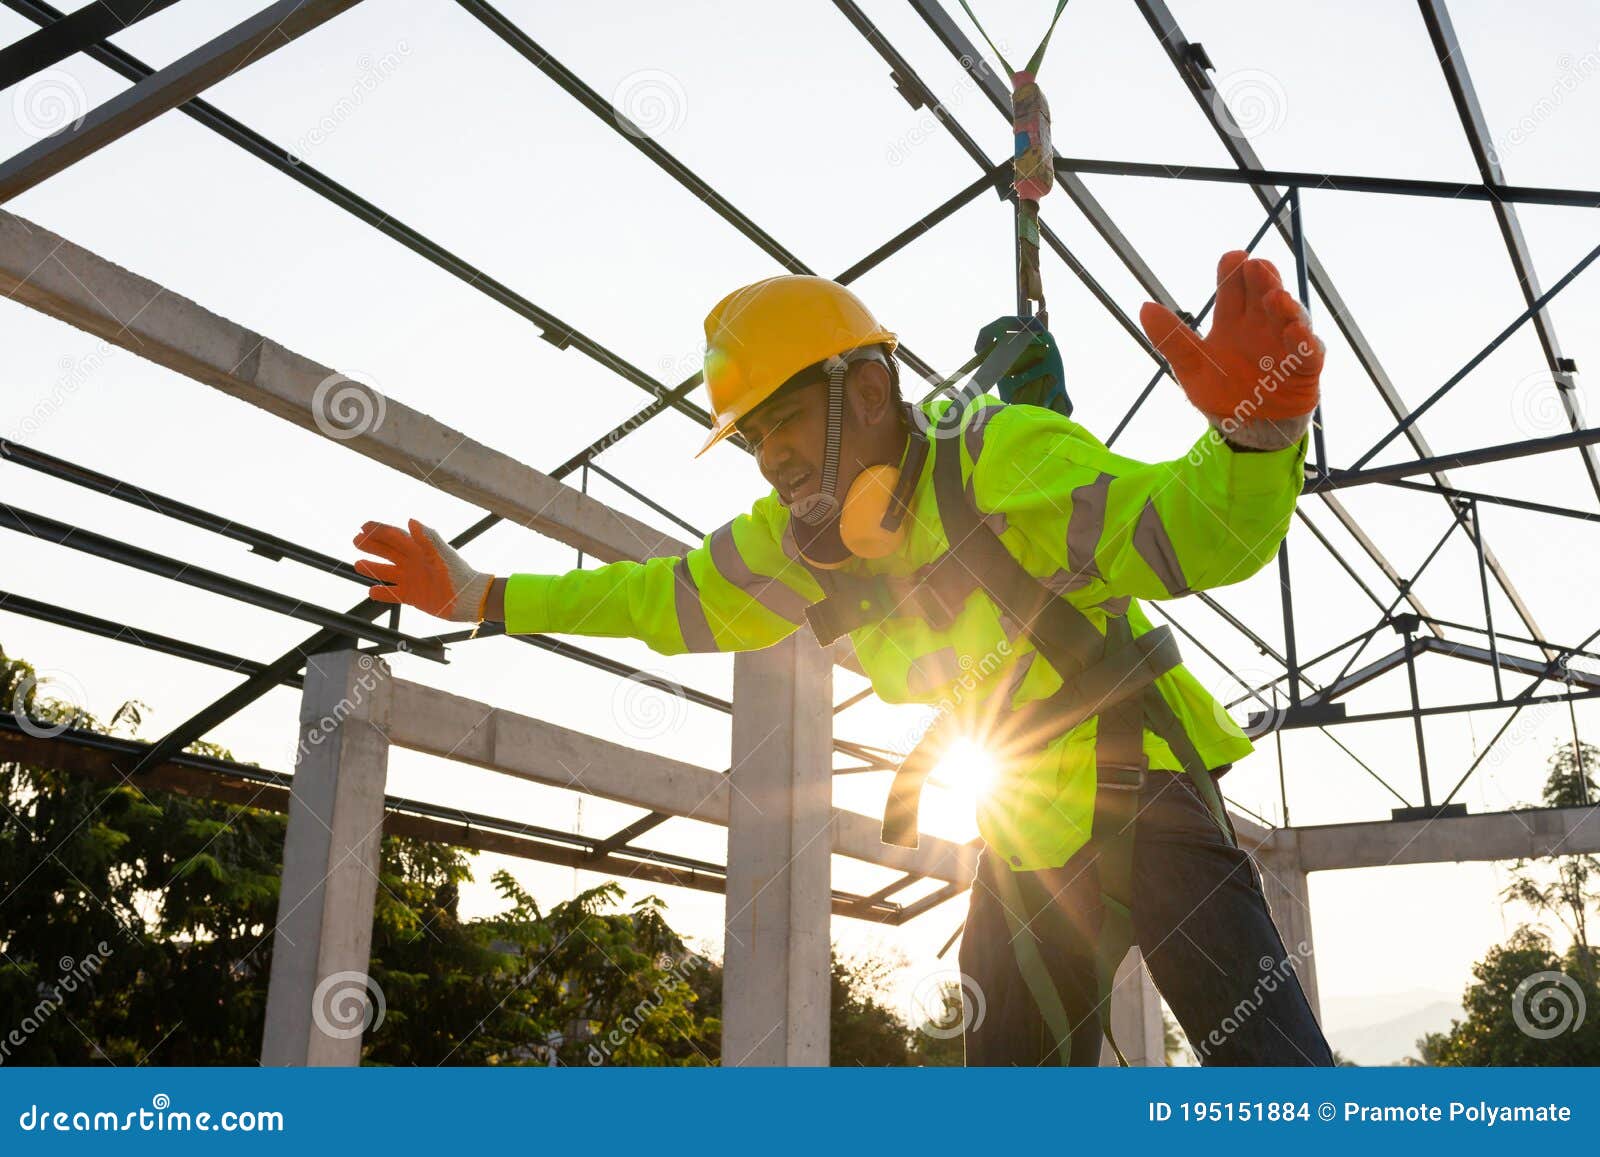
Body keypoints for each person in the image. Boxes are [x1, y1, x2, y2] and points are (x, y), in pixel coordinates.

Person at [353, 251, 1334, 1066]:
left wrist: (1257, 434)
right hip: (1023, 824)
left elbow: (1186, 533)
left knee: (1274, 1074)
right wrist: (486, 596)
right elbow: (663, 596)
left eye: (784, 420)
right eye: (753, 438)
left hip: (1141, 781)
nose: (770, 458)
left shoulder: (998, 456)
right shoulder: (803, 543)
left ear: (868, 390)